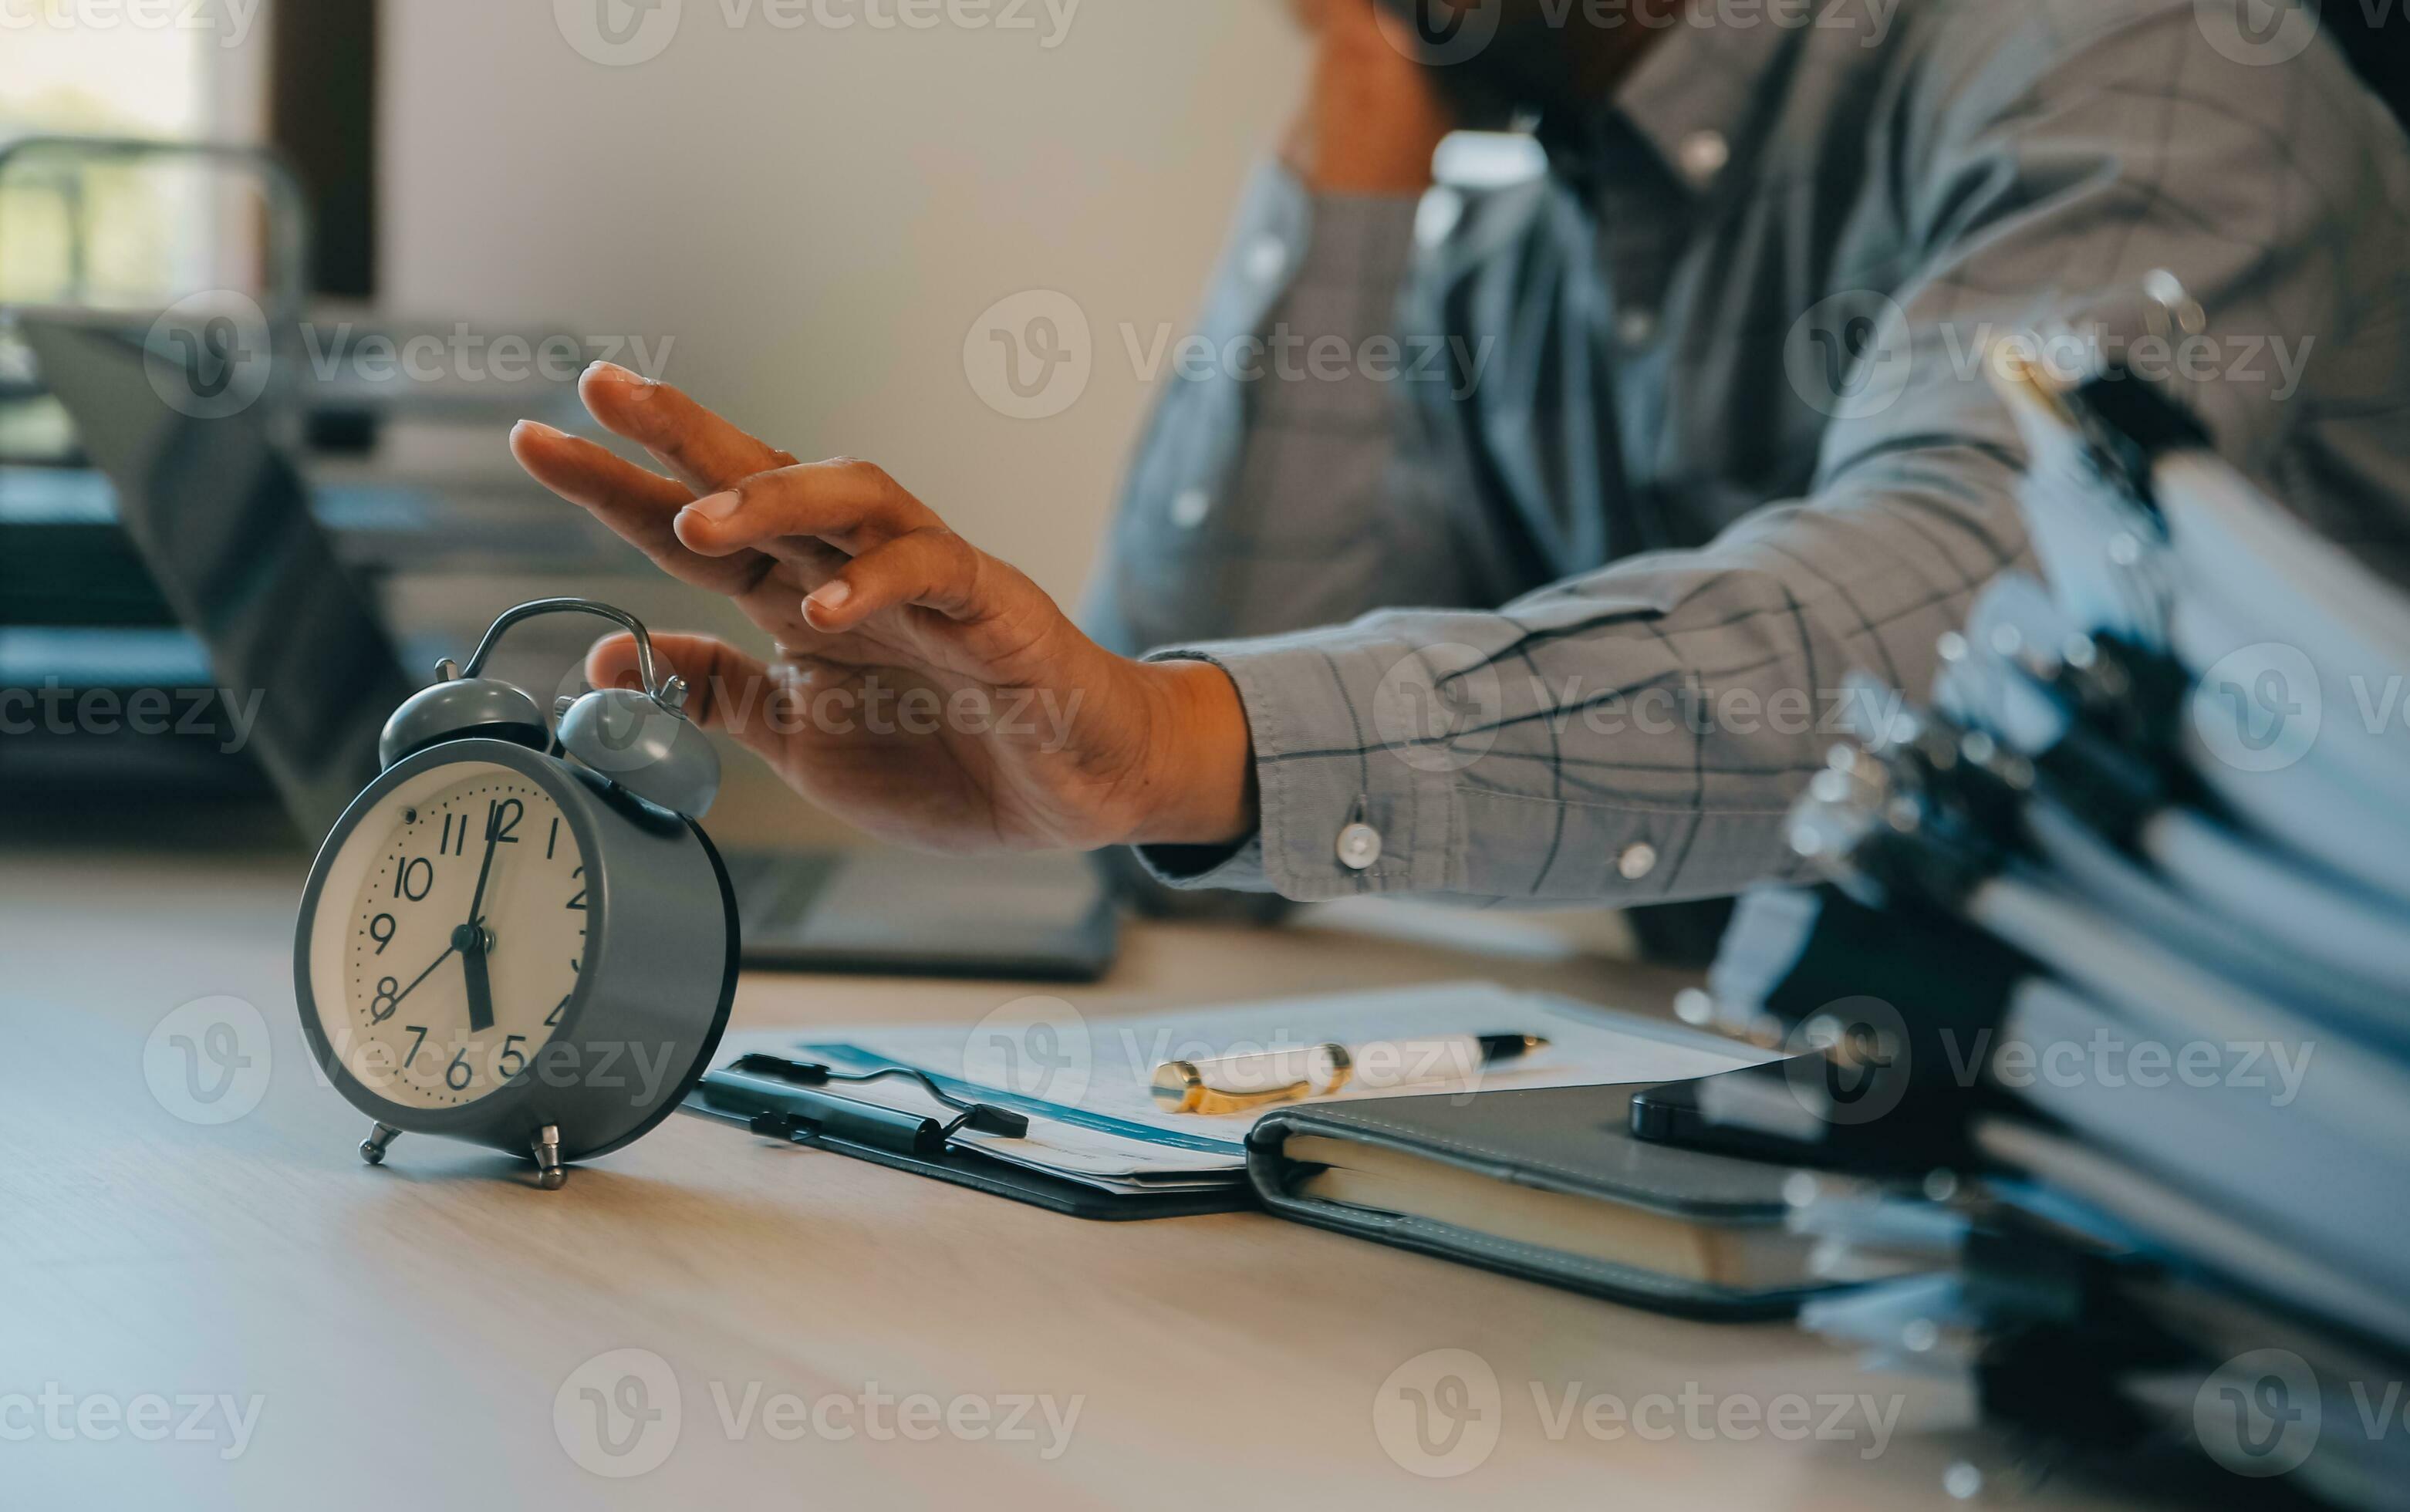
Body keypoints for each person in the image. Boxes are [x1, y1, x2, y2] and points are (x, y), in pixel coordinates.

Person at [510, 0, 2410, 911]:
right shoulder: (1523, 252)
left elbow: (1969, 609)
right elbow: (1186, 769)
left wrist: (1165, 739)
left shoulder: (2138, 59)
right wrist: (1353, 100)